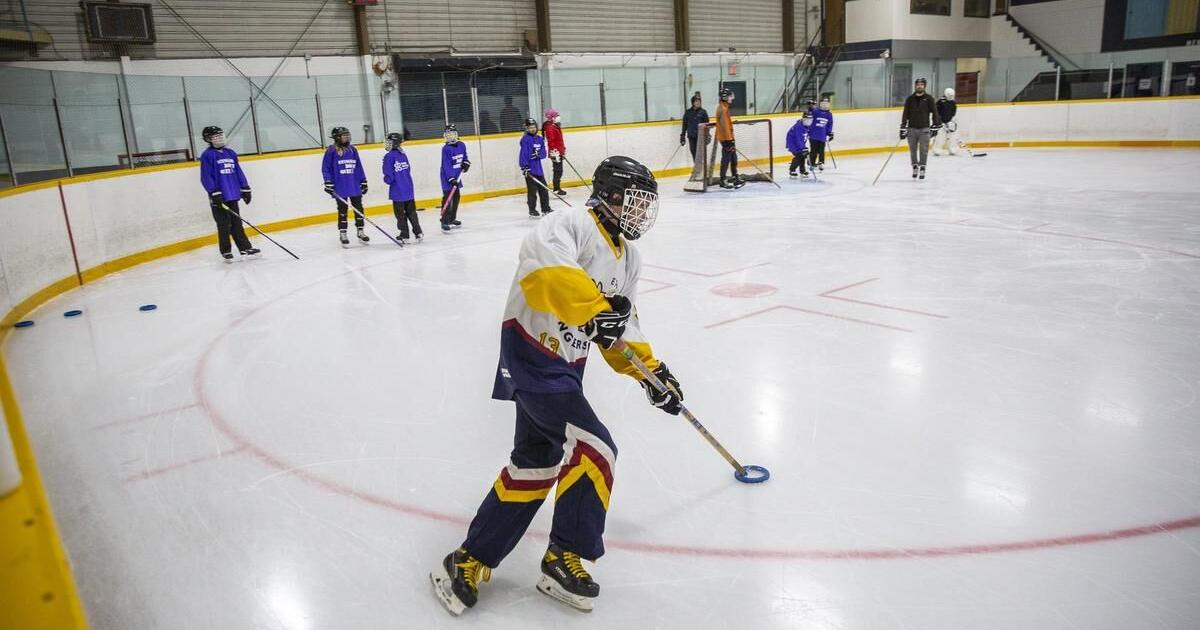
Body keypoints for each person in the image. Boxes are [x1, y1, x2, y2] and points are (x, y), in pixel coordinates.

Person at [429, 155, 683, 616]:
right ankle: (564, 555)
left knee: (536, 464)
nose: (641, 214)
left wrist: (652, 373)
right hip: (531, 355)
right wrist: (593, 310)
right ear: (608, 195)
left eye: (647, 206)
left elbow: (622, 327)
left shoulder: (630, 258)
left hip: (567, 366)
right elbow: (544, 270)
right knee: (596, 449)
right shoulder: (567, 224)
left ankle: (467, 559)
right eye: (635, 202)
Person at [199, 125, 259, 262]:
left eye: (221, 135)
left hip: (232, 195)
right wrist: (214, 192)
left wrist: (245, 188)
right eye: (216, 136)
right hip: (219, 197)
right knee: (224, 224)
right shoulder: (207, 155)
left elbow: (238, 171)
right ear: (209, 139)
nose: (220, 138)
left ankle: (245, 248)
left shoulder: (230, 153)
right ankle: (226, 251)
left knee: (237, 223)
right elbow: (205, 176)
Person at [322, 126, 369, 246]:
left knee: (359, 209)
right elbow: (326, 168)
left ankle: (360, 231)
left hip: (354, 184)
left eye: (347, 135)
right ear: (337, 137)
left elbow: (358, 166)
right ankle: (343, 233)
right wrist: (328, 182)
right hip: (340, 185)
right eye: (344, 135)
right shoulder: (331, 150)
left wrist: (363, 180)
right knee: (342, 210)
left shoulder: (353, 149)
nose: (347, 137)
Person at [899, 78, 942, 181]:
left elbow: (935, 112)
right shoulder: (910, 99)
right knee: (913, 150)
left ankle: (922, 167)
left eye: (922, 84)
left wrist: (935, 124)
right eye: (918, 84)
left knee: (924, 150)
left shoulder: (929, 99)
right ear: (915, 86)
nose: (919, 86)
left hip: (924, 129)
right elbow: (905, 113)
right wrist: (903, 126)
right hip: (911, 129)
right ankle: (915, 166)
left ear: (924, 86)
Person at [382, 132, 421, 243]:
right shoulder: (402, 154)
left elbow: (389, 176)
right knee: (412, 213)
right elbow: (408, 169)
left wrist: (386, 179)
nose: (387, 144)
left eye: (389, 142)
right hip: (408, 188)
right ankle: (418, 232)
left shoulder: (388, 156)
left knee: (400, 215)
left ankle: (405, 235)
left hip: (397, 191)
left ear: (394, 143)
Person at [440, 124, 470, 232]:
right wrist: (451, 179)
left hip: (457, 176)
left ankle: (452, 219)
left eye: (452, 134)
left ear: (456, 134)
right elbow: (446, 165)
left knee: (456, 198)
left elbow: (465, 157)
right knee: (448, 199)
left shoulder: (462, 145)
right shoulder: (446, 149)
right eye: (448, 134)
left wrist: (466, 163)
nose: (450, 136)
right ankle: (444, 221)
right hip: (447, 178)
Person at [519, 118, 551, 217]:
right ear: (526, 129)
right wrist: (524, 167)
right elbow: (523, 154)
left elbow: (543, 153)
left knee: (544, 190)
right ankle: (532, 210)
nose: (532, 129)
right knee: (532, 192)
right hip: (530, 170)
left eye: (534, 127)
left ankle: (545, 208)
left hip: (539, 170)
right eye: (530, 127)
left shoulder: (539, 138)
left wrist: (539, 154)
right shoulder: (525, 139)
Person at [715, 87, 743, 189]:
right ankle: (723, 180)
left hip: (729, 138)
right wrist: (729, 140)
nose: (732, 98)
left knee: (733, 158)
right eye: (730, 96)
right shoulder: (722, 108)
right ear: (725, 97)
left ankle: (735, 178)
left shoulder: (725, 107)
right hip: (726, 139)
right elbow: (724, 126)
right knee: (726, 159)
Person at [542, 108, 567, 195]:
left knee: (559, 170)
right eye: (556, 115)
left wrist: (563, 149)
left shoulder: (555, 125)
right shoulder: (550, 127)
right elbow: (551, 141)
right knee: (557, 170)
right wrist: (554, 152)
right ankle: (556, 188)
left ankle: (557, 187)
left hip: (559, 151)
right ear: (552, 117)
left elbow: (559, 140)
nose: (558, 116)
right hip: (555, 153)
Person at [679, 92, 709, 160]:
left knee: (700, 154)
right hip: (691, 136)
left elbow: (707, 125)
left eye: (699, 101)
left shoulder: (703, 112)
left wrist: (707, 135)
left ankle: (700, 168)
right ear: (693, 103)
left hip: (700, 137)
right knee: (693, 152)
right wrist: (682, 136)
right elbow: (684, 125)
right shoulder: (688, 112)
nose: (698, 103)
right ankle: (697, 168)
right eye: (696, 101)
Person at [785, 112, 813, 179]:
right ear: (803, 119)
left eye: (810, 120)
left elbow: (804, 137)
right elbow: (798, 138)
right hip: (793, 144)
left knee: (803, 156)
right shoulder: (798, 127)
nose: (808, 122)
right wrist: (803, 148)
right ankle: (792, 170)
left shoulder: (807, 126)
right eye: (806, 120)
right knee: (799, 155)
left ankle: (802, 171)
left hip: (799, 143)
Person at [810, 97, 834, 171]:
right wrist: (811, 107)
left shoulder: (829, 114)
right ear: (820, 104)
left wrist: (829, 133)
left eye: (826, 104)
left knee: (821, 150)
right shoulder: (815, 112)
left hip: (822, 136)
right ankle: (812, 162)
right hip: (813, 135)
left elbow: (830, 124)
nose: (825, 106)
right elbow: (809, 117)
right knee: (813, 150)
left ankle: (821, 162)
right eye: (823, 104)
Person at [934, 88, 958, 156]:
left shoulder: (953, 102)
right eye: (950, 95)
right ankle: (937, 149)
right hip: (941, 124)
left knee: (952, 137)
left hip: (950, 123)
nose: (951, 97)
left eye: (952, 95)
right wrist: (940, 122)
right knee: (940, 137)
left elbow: (954, 112)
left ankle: (952, 148)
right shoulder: (940, 102)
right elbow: (936, 112)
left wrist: (952, 121)